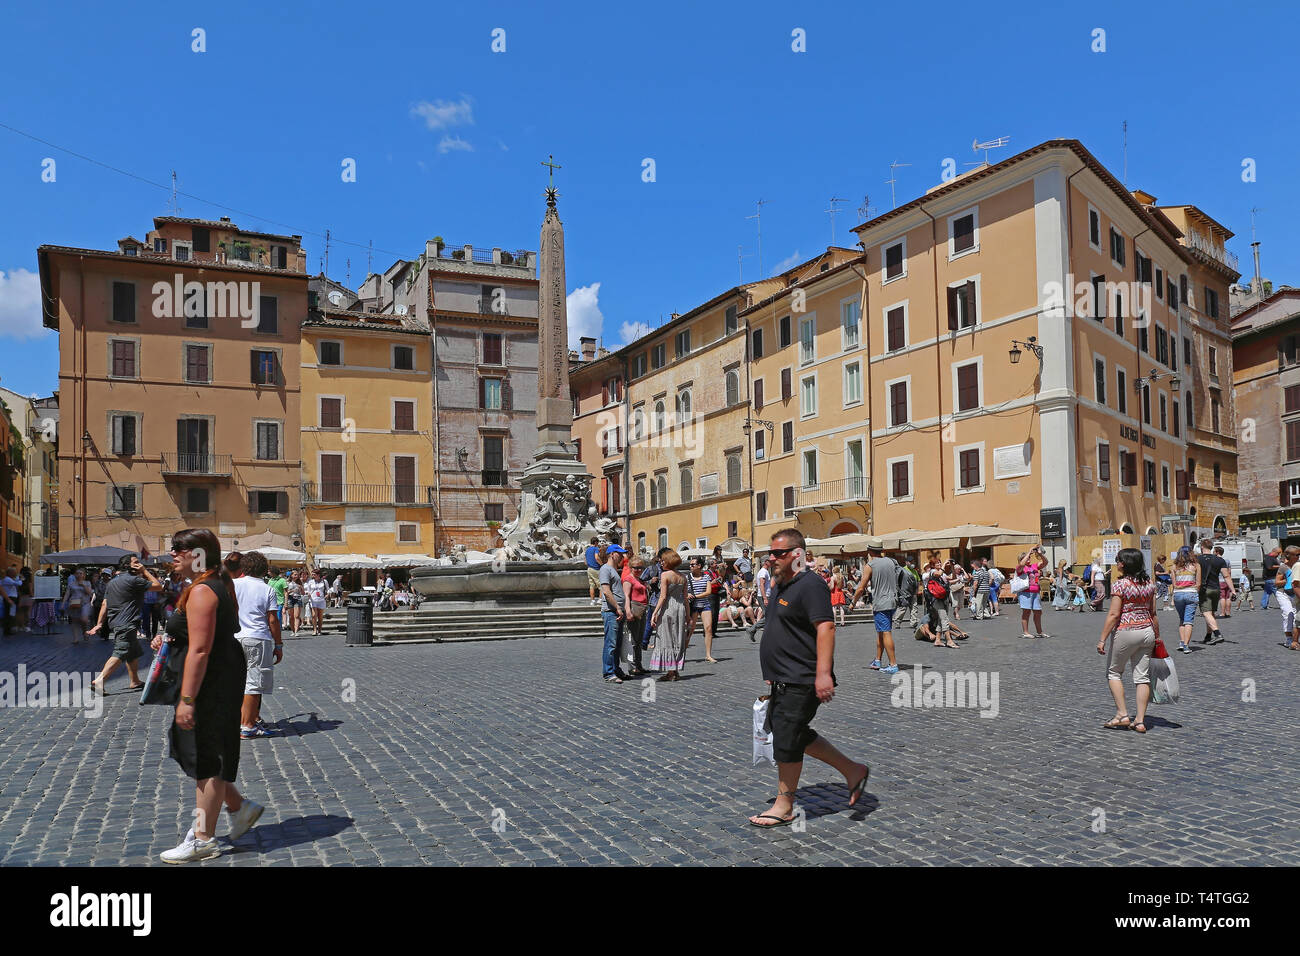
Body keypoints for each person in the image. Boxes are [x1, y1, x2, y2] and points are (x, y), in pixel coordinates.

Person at [155, 528, 265, 863]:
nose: (172, 554)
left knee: (208, 757)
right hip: (220, 674)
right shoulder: (206, 585)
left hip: (212, 681)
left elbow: (201, 650)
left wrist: (187, 700)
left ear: (198, 553)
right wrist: (170, 639)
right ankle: (239, 807)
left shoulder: (204, 590)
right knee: (204, 752)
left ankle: (203, 838)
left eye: (179, 549)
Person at [749, 528, 869, 828]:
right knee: (791, 731)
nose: (772, 558)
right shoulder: (780, 584)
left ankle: (785, 805)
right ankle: (853, 770)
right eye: (771, 553)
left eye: (779, 553)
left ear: (798, 554)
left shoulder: (810, 584)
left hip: (802, 676)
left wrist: (824, 673)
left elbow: (826, 627)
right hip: (783, 676)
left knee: (787, 741)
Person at [1097, 547, 1159, 735]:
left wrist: (1102, 639)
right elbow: (1153, 613)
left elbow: (1115, 614)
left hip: (1126, 630)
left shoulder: (1120, 585)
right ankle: (1139, 721)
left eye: (1118, 560)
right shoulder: (1149, 584)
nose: (1116, 563)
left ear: (1123, 563)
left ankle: (1122, 714)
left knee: (1114, 672)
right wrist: (1157, 636)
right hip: (1147, 631)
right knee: (1142, 677)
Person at [87, 556, 163, 693]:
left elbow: (105, 603)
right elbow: (158, 586)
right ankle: (99, 680)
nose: (139, 564)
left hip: (117, 622)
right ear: (128, 565)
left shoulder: (112, 582)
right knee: (121, 651)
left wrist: (99, 624)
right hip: (127, 623)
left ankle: (134, 681)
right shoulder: (134, 580)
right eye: (136, 563)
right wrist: (145, 571)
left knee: (132, 652)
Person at [231, 551, 283, 739]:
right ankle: (248, 725)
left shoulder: (233, 585)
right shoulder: (267, 589)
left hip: (234, 637)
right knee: (253, 684)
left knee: (236, 682)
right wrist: (279, 644)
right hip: (257, 638)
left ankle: (240, 721)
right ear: (264, 569)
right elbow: (272, 620)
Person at [851, 546, 900, 674]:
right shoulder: (890, 561)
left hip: (881, 602)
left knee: (885, 632)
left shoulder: (870, 565)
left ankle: (893, 665)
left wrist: (852, 603)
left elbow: (861, 588)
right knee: (881, 631)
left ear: (870, 552)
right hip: (893, 600)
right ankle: (877, 660)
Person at [649, 550, 688, 681]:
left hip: (668, 608)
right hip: (680, 608)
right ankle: (675, 669)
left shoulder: (665, 575)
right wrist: (688, 615)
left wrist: (654, 612)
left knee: (666, 637)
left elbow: (663, 596)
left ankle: (671, 671)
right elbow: (686, 598)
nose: (661, 562)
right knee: (678, 638)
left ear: (669, 561)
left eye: (663, 560)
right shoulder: (683, 576)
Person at [599, 545, 629, 683]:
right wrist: (617, 606)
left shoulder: (614, 570)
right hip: (611, 611)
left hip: (617, 611)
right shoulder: (605, 569)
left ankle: (616, 669)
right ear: (612, 554)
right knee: (610, 644)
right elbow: (606, 591)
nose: (623, 556)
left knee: (617, 644)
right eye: (620, 554)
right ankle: (608, 672)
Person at [1195, 538, 1233, 644]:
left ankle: (1217, 634)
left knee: (1206, 613)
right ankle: (1208, 636)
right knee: (1211, 613)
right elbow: (1226, 576)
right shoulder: (1220, 560)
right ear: (1211, 547)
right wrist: (1233, 590)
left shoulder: (1197, 559)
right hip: (1216, 589)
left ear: (1202, 547)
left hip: (1204, 589)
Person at [1169, 547, 1201, 654]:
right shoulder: (1196, 566)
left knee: (1182, 619)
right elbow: (1198, 583)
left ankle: (1182, 642)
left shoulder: (1174, 567)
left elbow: (1174, 584)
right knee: (1189, 621)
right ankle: (1186, 646)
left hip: (1178, 594)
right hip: (1191, 592)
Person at [686, 557, 718, 663]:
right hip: (693, 606)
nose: (690, 566)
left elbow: (708, 591)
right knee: (690, 630)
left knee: (708, 629)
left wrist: (696, 596)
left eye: (692, 565)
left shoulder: (706, 577)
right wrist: (687, 595)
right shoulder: (687, 577)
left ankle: (708, 655)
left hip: (704, 605)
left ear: (699, 566)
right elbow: (683, 591)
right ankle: (682, 653)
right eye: (690, 565)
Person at [622, 554, 649, 677]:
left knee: (639, 640)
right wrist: (628, 611)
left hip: (642, 610)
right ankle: (632, 667)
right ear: (630, 567)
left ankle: (639, 665)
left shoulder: (640, 579)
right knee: (633, 640)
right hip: (634, 608)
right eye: (636, 567)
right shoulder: (628, 579)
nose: (638, 570)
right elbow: (626, 596)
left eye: (641, 568)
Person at [1017, 549, 1049, 639]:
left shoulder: (1034, 566)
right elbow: (1021, 564)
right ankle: (1026, 632)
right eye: (1026, 558)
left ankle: (1040, 632)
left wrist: (1040, 554)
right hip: (1025, 593)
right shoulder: (1020, 568)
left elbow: (1045, 562)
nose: (1029, 559)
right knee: (1026, 612)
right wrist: (1028, 552)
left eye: (1029, 557)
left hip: (1036, 592)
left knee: (1038, 612)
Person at [62, 569, 94, 643]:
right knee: (75, 621)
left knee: (84, 620)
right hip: (74, 603)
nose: (79, 575)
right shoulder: (71, 584)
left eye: (81, 573)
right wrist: (63, 604)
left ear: (84, 575)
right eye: (77, 573)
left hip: (85, 603)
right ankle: (75, 638)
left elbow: (90, 593)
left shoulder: (87, 583)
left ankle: (84, 631)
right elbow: (67, 594)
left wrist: (83, 585)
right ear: (75, 575)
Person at [304, 569, 328, 635]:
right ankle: (314, 630)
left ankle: (319, 630)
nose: (312, 575)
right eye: (312, 574)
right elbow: (308, 591)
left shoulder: (324, 581)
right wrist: (307, 593)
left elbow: (328, 590)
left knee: (320, 616)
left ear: (318, 575)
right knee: (314, 615)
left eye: (314, 574)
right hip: (313, 599)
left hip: (321, 600)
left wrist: (327, 595)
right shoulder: (310, 582)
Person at [0, 565, 20, 636]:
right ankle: (7, 631)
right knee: (8, 614)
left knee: (10, 614)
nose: (15, 573)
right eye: (14, 572)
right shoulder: (7, 579)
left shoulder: (6, 579)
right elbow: (19, 584)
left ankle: (8, 630)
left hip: (9, 598)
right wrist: (8, 599)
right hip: (9, 598)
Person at [584, 536, 602, 606]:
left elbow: (585, 561)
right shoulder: (596, 548)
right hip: (596, 569)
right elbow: (597, 557)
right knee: (601, 585)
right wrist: (602, 564)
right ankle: (600, 600)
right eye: (597, 543)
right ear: (595, 542)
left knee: (592, 586)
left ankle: (592, 601)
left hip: (589, 569)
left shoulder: (587, 550)